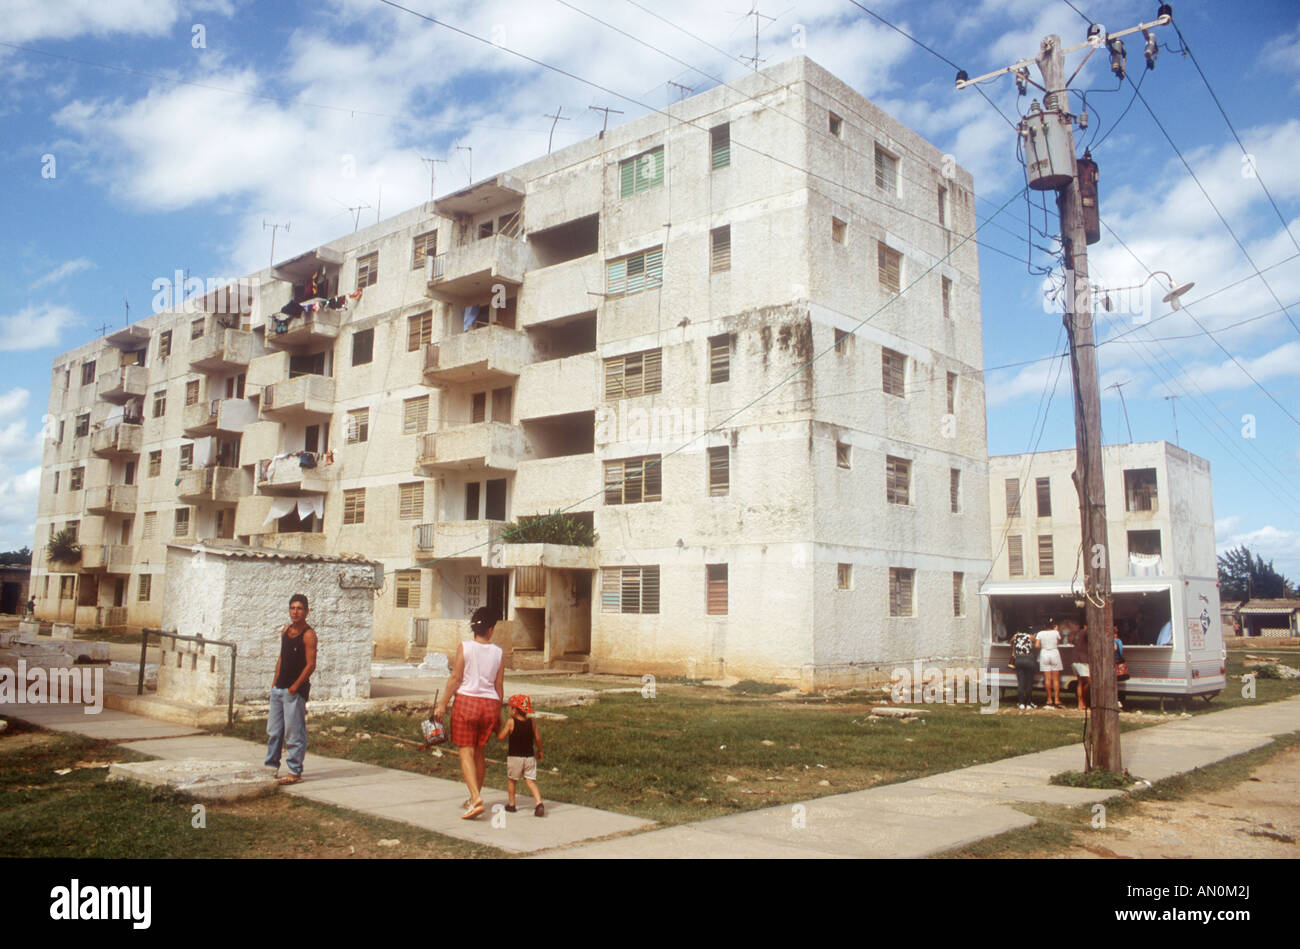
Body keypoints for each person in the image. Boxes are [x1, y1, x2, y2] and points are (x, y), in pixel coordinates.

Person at [435, 607, 504, 820]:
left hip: (467, 702)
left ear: (474, 628)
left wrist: (442, 704)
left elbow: (456, 678)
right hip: (490, 704)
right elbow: (499, 685)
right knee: (479, 752)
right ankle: (474, 796)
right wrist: (498, 713)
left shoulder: (465, 647)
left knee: (465, 751)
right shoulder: (499, 652)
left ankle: (475, 799)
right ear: (491, 629)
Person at [266, 593, 317, 785]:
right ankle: (271, 766)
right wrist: (274, 683)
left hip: (293, 692)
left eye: (299, 608)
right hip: (279, 690)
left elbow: (311, 665)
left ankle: (295, 771)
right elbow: (282, 658)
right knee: (274, 731)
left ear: (306, 611)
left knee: (294, 733)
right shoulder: (286, 630)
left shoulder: (309, 635)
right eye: (292, 608)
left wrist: (294, 687)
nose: (295, 612)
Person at [498, 694, 545, 816]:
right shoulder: (531, 723)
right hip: (529, 757)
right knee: (530, 781)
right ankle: (539, 803)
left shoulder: (510, 722)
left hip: (515, 757)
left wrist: (495, 729)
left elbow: (501, 737)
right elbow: (538, 738)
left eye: (509, 708)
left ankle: (512, 804)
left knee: (512, 781)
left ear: (514, 710)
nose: (509, 711)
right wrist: (540, 750)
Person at [1035, 620, 1064, 708]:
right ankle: (1056, 699)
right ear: (1053, 625)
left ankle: (1049, 699)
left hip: (1044, 653)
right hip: (1054, 653)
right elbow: (1058, 642)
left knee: (1047, 678)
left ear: (1044, 625)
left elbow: (1037, 645)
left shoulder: (1040, 633)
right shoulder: (1056, 632)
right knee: (1055, 679)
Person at [1008, 628, 1037, 709]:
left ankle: (1021, 703)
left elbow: (1011, 643)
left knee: (1021, 682)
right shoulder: (1031, 636)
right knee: (1029, 682)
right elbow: (1036, 644)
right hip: (1028, 659)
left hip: (1019, 659)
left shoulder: (1015, 636)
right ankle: (1028, 703)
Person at [1070, 622, 1091, 710]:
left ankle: (1080, 703)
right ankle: (1085, 702)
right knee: (1089, 682)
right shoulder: (1086, 632)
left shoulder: (1077, 633)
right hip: (1082, 661)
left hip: (1074, 659)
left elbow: (1072, 642)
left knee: (1080, 682)